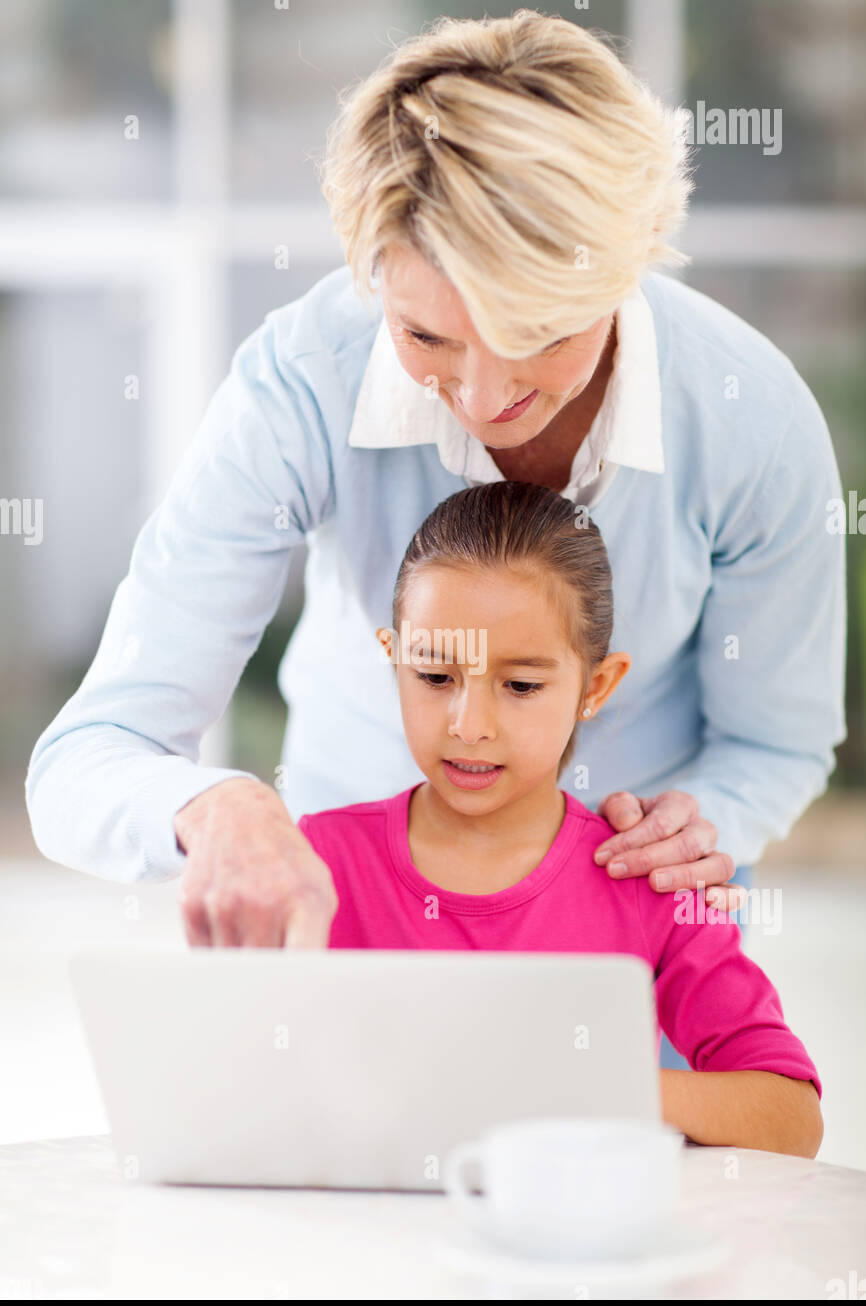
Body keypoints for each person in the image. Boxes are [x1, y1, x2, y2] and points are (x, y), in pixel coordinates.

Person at [26, 13, 844, 967]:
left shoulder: (755, 420)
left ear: (634, 258)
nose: (489, 399)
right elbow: (86, 755)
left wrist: (710, 821)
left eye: (540, 332)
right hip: (358, 929)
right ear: (373, 275)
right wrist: (212, 805)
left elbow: (776, 744)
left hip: (633, 936)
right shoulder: (300, 383)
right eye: (427, 339)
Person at [296, 481, 822, 1157]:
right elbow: (245, 1073)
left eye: (519, 686)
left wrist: (584, 1085)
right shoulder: (319, 859)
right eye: (434, 676)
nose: (469, 726)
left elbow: (789, 1117)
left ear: (594, 687)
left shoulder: (650, 882)